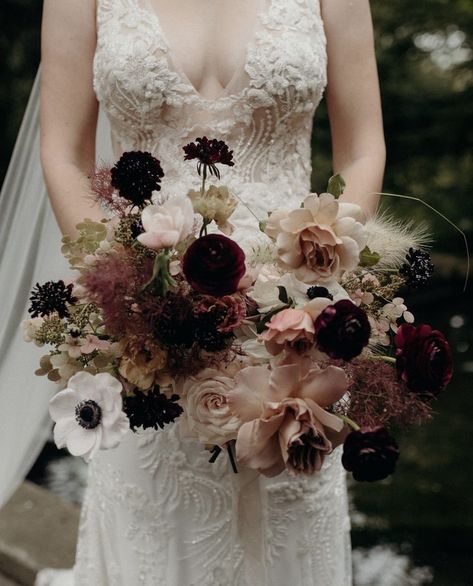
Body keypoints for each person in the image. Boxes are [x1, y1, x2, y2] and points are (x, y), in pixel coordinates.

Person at [34, 0, 384, 584]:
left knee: (285, 533)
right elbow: (63, 153)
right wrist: (128, 294)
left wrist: (316, 284)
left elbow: (363, 149)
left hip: (295, 332)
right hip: (146, 329)